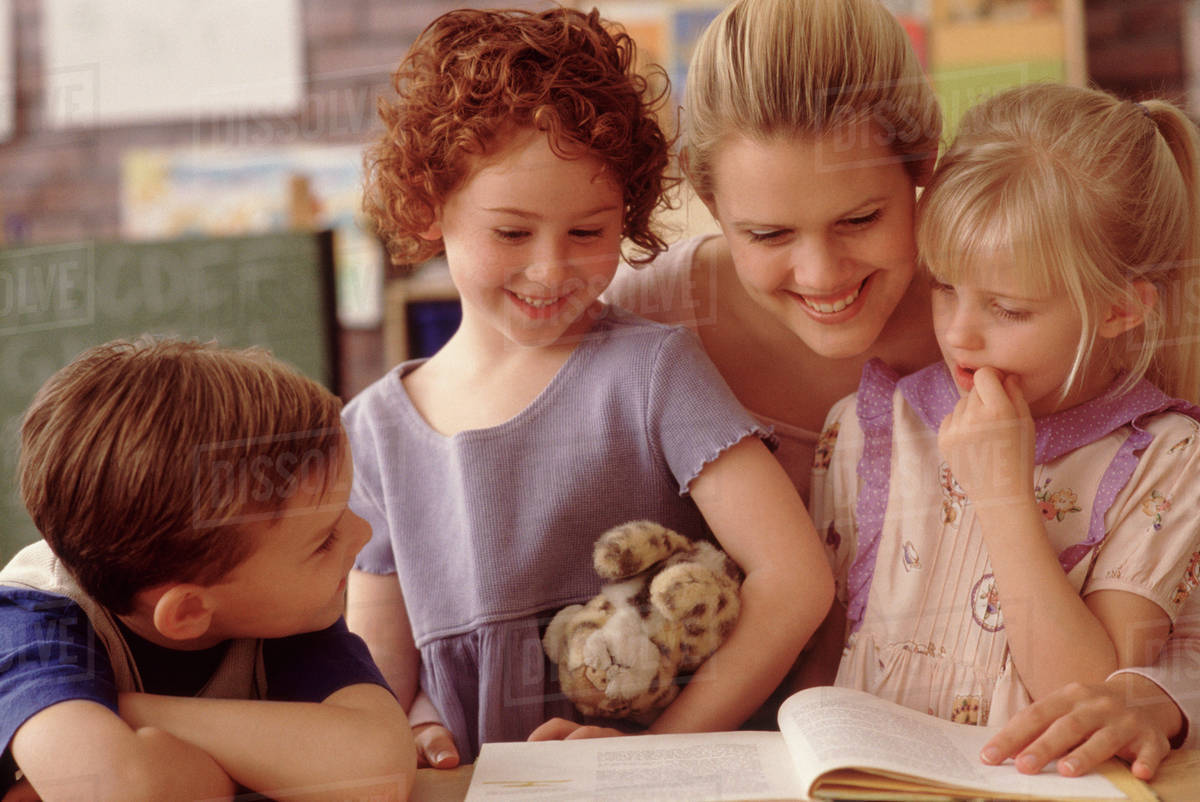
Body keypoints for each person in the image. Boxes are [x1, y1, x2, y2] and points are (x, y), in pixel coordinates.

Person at [603, 0, 1200, 781]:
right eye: (768, 234)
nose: (820, 276)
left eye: (859, 218)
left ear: (925, 170)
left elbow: (1138, 668)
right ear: (713, 208)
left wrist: (1163, 699)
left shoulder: (1062, 313)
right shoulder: (655, 326)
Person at [344, 6, 834, 768]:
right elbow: (375, 678)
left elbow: (796, 580)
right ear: (429, 205)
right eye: (512, 232)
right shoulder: (373, 430)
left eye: (588, 232)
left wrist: (658, 755)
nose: (551, 269)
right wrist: (415, 722)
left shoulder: (654, 370)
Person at [812, 79, 1200, 755]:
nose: (960, 333)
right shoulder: (869, 428)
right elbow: (813, 675)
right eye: (945, 287)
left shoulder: (1168, 460)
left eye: (1009, 309)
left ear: (1120, 309)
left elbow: (1087, 701)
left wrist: (1001, 493)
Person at [0, 338, 416, 801]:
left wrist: (128, 713)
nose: (363, 535)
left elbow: (377, 772)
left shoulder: (284, 607)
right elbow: (125, 791)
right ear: (189, 611)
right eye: (323, 542)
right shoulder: (32, 621)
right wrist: (263, 770)